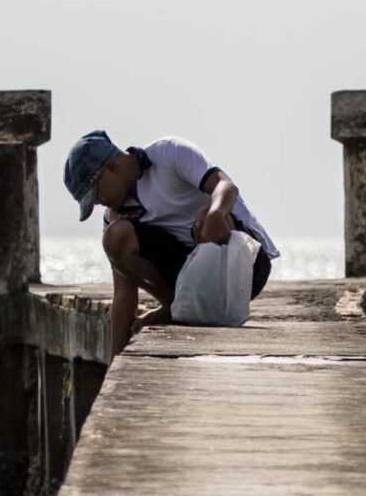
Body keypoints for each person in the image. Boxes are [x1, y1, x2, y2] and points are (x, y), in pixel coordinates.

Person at [63, 131, 281, 356]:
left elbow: (226, 186)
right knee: (115, 237)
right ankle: (176, 307)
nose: (99, 203)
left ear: (111, 168)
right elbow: (123, 294)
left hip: (244, 265)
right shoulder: (115, 216)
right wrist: (114, 361)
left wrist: (216, 213)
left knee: (207, 218)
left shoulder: (169, 154)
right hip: (192, 279)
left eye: (97, 194)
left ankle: (183, 307)